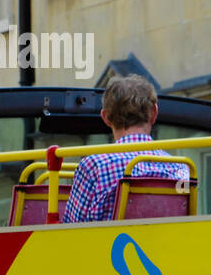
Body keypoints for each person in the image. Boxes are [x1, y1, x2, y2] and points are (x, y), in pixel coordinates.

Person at [62, 76, 190, 222]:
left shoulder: (94, 166)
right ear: (154, 113)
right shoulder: (181, 168)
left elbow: (71, 230)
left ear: (105, 117)